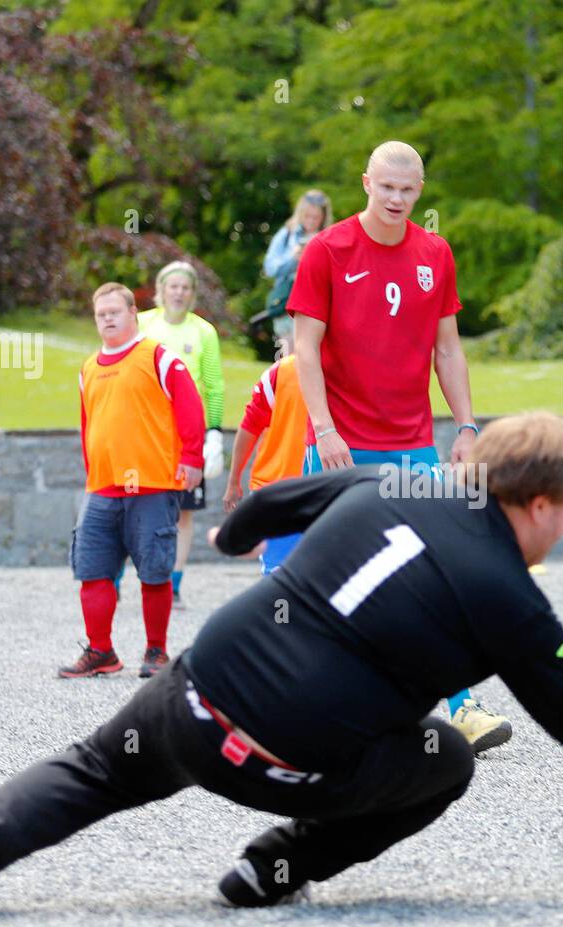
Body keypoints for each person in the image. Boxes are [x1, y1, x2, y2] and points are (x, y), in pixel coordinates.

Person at [0, 412, 563, 910]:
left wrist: (229, 530)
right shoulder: (515, 603)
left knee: (93, 769)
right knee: (447, 758)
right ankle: (272, 868)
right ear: (544, 502)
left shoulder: (392, 482)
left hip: (192, 704)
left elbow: (274, 501)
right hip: (289, 768)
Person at [288, 140, 510, 751]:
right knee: (334, 579)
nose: (396, 198)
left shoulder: (435, 253)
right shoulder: (326, 250)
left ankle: (462, 706)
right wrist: (324, 428)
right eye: (386, 186)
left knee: (432, 573)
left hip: (412, 444)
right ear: (366, 182)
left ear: (420, 191)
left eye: (407, 190)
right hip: (339, 447)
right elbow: (304, 348)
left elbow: (448, 350)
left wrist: (466, 427)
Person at [58, 283, 205, 680]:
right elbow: (89, 425)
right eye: (100, 314)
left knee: (155, 571)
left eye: (114, 312)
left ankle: (156, 652)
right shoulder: (88, 368)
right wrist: (92, 472)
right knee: (91, 569)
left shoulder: (158, 358)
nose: (107, 318)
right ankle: (101, 651)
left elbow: (191, 407)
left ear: (132, 313)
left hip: (154, 485)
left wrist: (193, 457)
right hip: (103, 488)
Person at [137, 261, 226, 610]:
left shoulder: (204, 332)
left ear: (192, 293)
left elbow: (215, 386)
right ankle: (139, 577)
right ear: (160, 289)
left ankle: (173, 584)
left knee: (183, 512)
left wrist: (214, 432)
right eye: (172, 286)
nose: (178, 292)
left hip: (189, 433)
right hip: (149, 430)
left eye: (185, 287)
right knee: (140, 504)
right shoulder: (143, 325)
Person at [222, 352, 309, 574]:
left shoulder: (281, 370)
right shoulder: (281, 372)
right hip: (286, 488)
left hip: (279, 488)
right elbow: (250, 425)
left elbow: (250, 425)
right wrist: (233, 481)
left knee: (278, 576)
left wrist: (234, 481)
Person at [263, 190, 331, 357]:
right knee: (288, 361)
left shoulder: (328, 237)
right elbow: (270, 268)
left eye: (316, 217)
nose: (311, 221)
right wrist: (293, 258)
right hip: (287, 304)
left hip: (314, 306)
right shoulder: (287, 234)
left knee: (310, 357)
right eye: (308, 216)